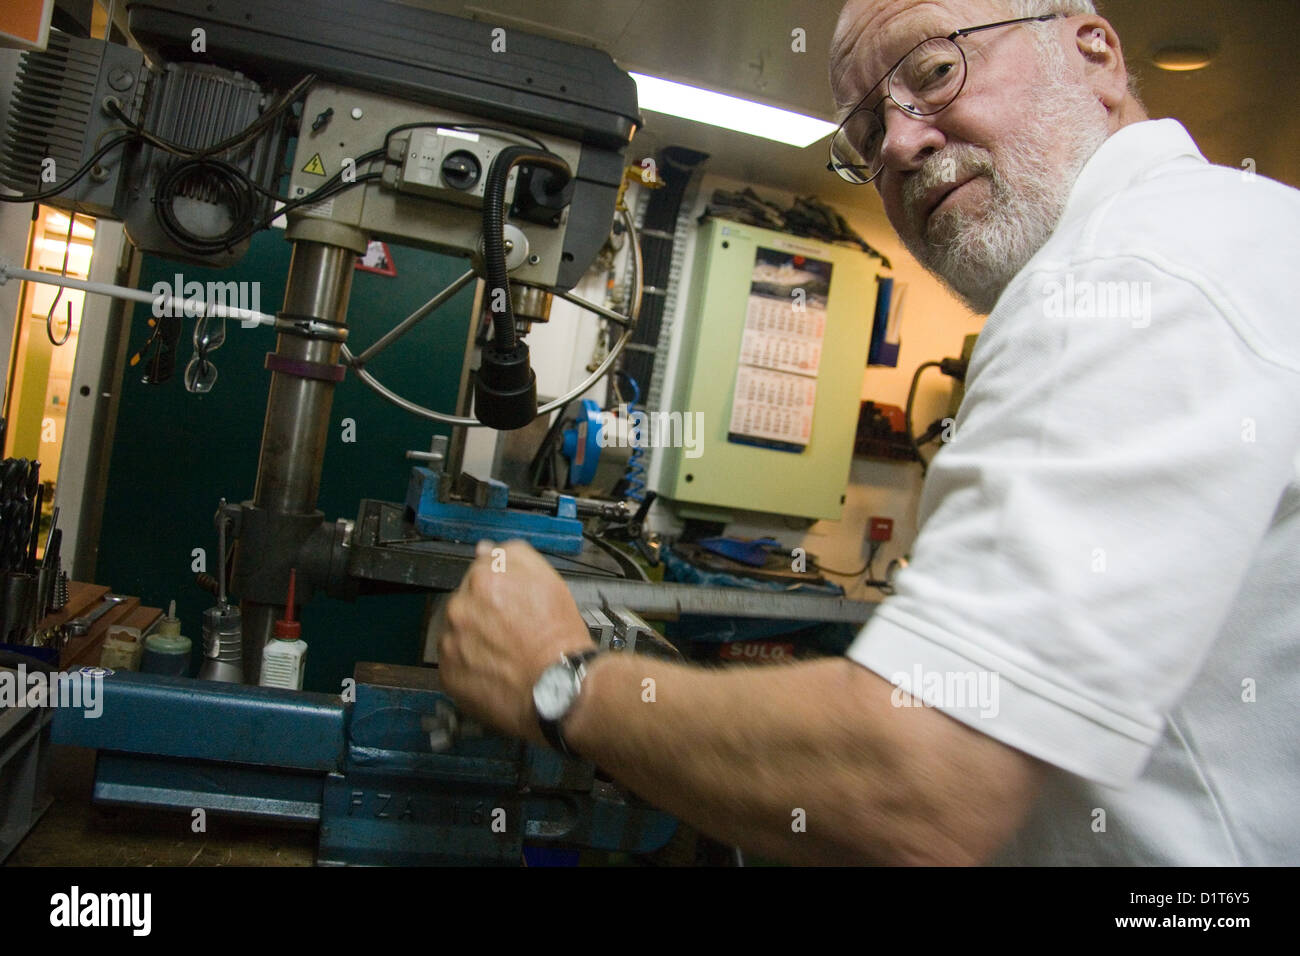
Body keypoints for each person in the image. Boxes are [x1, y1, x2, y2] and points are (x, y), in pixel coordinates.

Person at [438, 0, 1300, 865]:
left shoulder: (1124, 274)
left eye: (933, 72)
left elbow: (923, 780)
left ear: (1096, 53)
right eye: (864, 134)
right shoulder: (1235, 235)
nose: (896, 144)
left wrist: (560, 680)